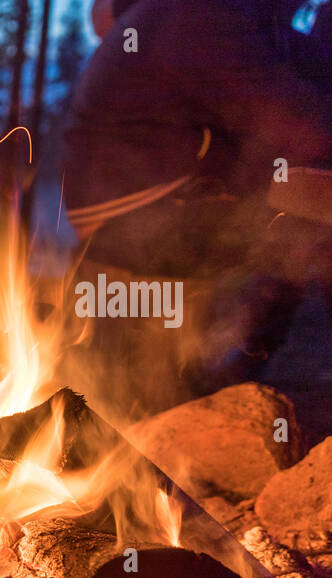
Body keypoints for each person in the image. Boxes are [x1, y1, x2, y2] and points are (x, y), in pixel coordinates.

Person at [63, 0, 332, 388]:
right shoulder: (199, 14)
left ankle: (233, 379)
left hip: (143, 206)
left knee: (303, 216)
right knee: (305, 230)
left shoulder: (195, 16)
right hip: (142, 215)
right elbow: (296, 123)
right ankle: (231, 382)